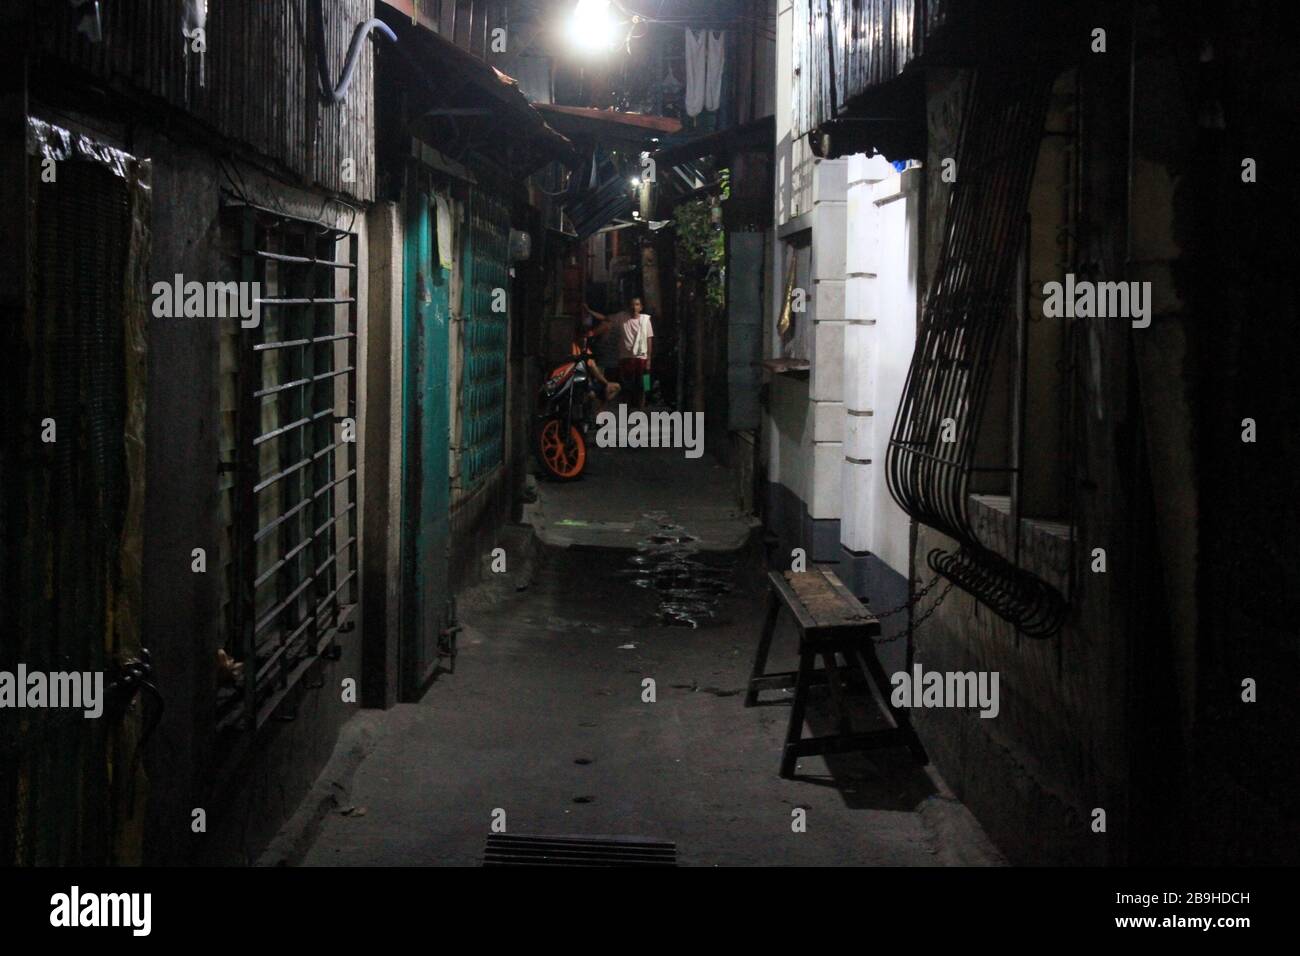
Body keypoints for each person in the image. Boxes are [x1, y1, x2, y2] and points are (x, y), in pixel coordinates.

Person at [588, 296, 654, 410]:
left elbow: (649, 340)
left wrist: (649, 359)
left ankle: (642, 408)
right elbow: (606, 319)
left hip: (642, 358)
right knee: (627, 386)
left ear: (641, 307)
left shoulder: (646, 320)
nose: (634, 307)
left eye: (637, 305)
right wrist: (590, 312)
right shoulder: (622, 318)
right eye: (633, 304)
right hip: (626, 358)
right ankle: (628, 410)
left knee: (643, 385)